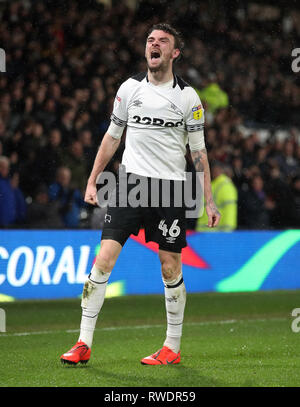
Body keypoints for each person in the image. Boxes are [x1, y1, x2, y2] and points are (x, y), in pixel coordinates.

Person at [60, 23, 220, 366]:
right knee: (103, 260)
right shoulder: (129, 89)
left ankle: (171, 348)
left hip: (172, 189)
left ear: (174, 53)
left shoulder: (187, 97)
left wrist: (208, 199)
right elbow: (112, 137)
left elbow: (199, 153)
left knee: (169, 266)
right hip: (130, 185)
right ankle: (82, 342)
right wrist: (92, 180)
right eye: (150, 40)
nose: (154, 44)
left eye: (162, 41)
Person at [196, 161, 238, 231]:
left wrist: (227, 229)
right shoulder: (216, 185)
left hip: (212, 231)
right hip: (210, 231)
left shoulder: (223, 186)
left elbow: (229, 209)